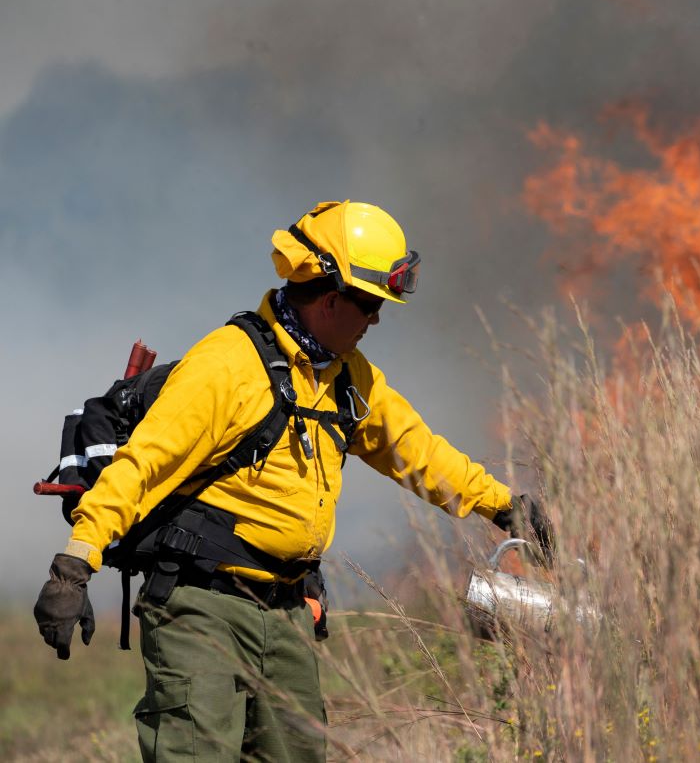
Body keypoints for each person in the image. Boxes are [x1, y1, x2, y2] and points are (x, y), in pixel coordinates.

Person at [33, 200, 552, 762]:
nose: (376, 320)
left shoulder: (347, 376)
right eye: (371, 305)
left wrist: (505, 507)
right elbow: (141, 467)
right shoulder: (228, 365)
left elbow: (417, 451)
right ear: (331, 300)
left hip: (288, 613)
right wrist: (74, 566)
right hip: (202, 609)